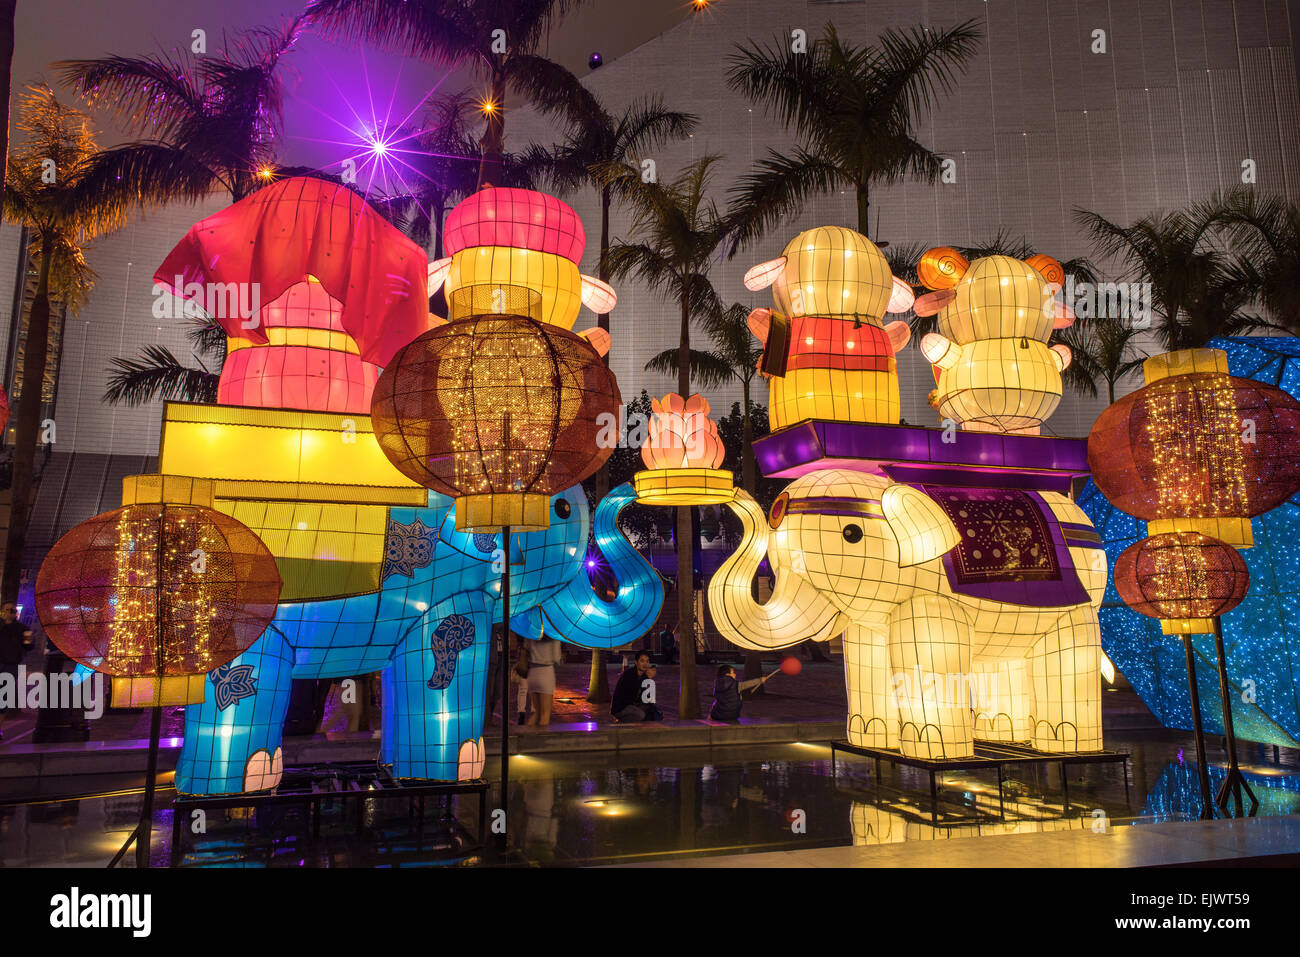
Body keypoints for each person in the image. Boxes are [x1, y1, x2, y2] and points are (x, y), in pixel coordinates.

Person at [0, 603, 34, 740]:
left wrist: (30, 641)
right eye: (6, 610)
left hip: (11, 665)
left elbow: (28, 647)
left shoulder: (21, 628)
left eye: (12, 610)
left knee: (4, 698)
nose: (9, 612)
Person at [709, 664, 773, 722]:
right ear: (727, 674)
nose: (735, 674)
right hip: (733, 715)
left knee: (714, 707)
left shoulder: (717, 684)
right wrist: (760, 680)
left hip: (718, 715)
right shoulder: (736, 684)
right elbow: (748, 684)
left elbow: (717, 698)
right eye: (733, 673)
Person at [611, 650, 662, 723]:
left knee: (651, 711)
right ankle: (621, 723)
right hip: (621, 707)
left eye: (647, 661)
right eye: (642, 661)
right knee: (640, 714)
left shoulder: (643, 676)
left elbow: (645, 697)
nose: (645, 664)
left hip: (633, 704)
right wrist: (646, 678)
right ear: (636, 662)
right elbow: (633, 691)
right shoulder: (629, 674)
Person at [524, 634, 563, 727]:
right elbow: (556, 658)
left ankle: (527, 738)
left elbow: (526, 647)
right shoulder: (553, 635)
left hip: (532, 672)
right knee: (545, 715)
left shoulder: (531, 632)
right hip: (546, 672)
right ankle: (540, 741)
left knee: (536, 713)